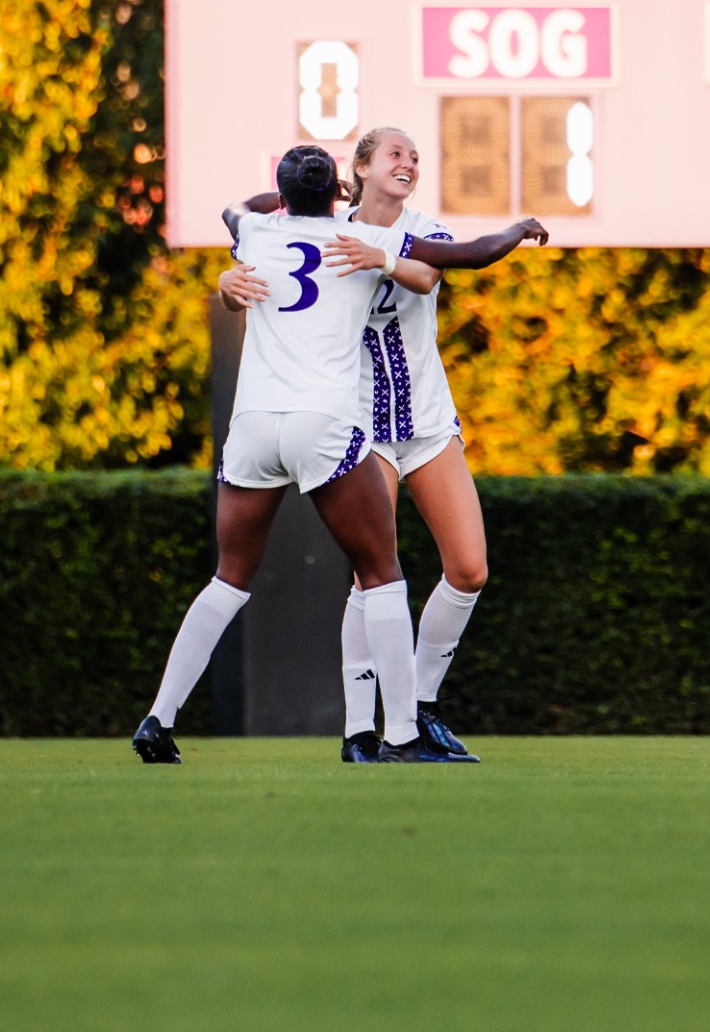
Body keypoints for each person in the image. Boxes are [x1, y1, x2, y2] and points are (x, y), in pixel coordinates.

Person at [133, 144, 548, 764]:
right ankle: (399, 733)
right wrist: (518, 229)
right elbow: (472, 255)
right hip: (324, 422)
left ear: (282, 196)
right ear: (341, 189)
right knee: (381, 574)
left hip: (253, 424)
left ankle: (158, 719)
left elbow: (234, 208)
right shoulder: (357, 241)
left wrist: (228, 276)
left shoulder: (256, 233)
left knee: (228, 577)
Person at [219, 127, 490, 763]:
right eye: (396, 154)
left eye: (415, 157)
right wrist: (230, 283)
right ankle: (361, 729)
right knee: (374, 578)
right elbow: (255, 256)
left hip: (427, 420)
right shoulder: (319, 231)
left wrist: (381, 258)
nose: (409, 164)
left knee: (470, 569)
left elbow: (425, 276)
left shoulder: (423, 230)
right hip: (360, 421)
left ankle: (420, 704)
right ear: (360, 168)